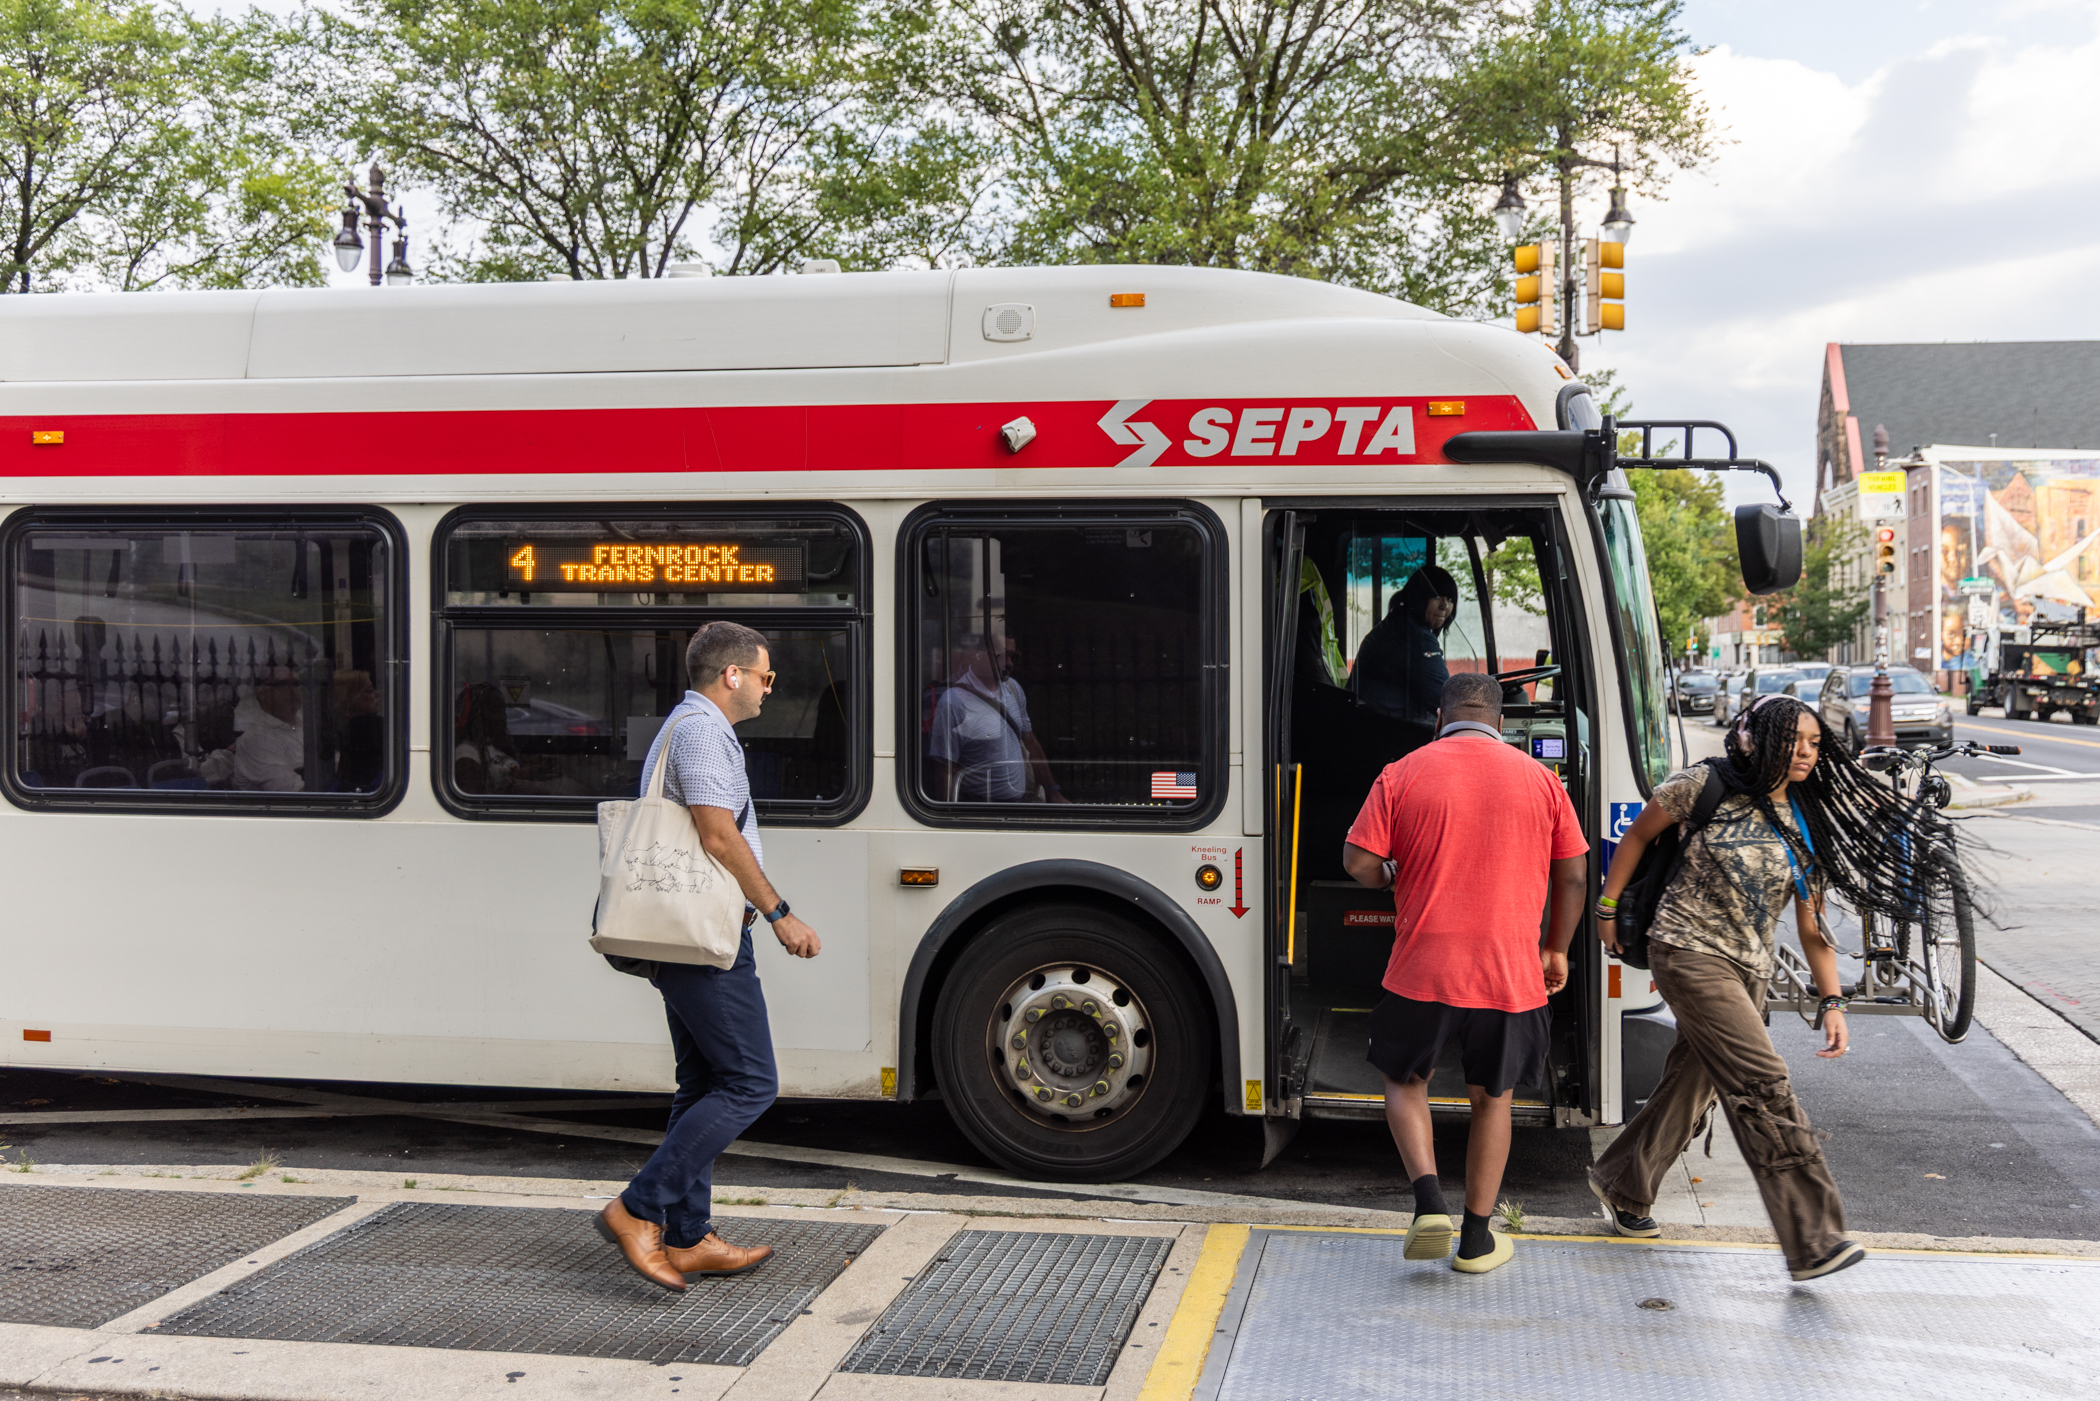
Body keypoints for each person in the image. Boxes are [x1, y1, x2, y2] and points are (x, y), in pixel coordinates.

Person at [1588, 693, 1957, 1282]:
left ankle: (1624, 1184)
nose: (1806, 752)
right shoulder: (1703, 785)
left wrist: (1832, 999)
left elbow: (1813, 926)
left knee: (1693, 1084)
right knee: (1763, 1085)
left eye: (1815, 743)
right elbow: (1635, 837)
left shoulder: (1806, 819)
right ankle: (1814, 1237)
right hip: (1687, 949)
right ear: (1757, 740)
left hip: (1748, 969)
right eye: (1794, 740)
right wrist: (1607, 906)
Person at [596, 621, 823, 1291]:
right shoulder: (702, 731)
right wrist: (781, 913)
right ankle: (638, 1208)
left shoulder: (689, 727)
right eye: (765, 675)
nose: (767, 686)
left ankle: (689, 1236)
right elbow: (718, 836)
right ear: (732, 675)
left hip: (691, 936)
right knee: (751, 1082)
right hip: (702, 941)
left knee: (703, 1084)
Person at [1342, 671, 1587, 1274]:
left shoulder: (1402, 772)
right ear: (1502, 723)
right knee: (1493, 1098)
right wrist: (1555, 949)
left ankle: (1429, 1202)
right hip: (1509, 972)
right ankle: (1477, 1242)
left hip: (1422, 966)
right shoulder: (1542, 780)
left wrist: (1392, 876)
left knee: (1405, 1079)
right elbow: (1575, 874)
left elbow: (1359, 862)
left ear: (1438, 718)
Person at [926, 632, 1068, 803]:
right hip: (978, 807)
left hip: (1017, 804)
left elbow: (1030, 742)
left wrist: (1052, 790)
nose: (1008, 663)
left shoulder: (1012, 689)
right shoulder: (954, 702)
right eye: (1000, 656)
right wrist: (948, 814)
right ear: (975, 655)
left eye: (1013, 656)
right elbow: (944, 769)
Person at [1352, 565, 1458, 723]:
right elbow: (1443, 699)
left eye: (1450, 599)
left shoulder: (1397, 623)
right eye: (1437, 597)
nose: (1444, 606)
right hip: (1385, 727)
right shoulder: (1415, 636)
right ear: (1419, 597)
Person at [199, 666, 305, 791]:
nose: (293, 691)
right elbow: (300, 796)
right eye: (282, 685)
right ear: (261, 693)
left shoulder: (309, 725)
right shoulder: (257, 740)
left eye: (296, 684)